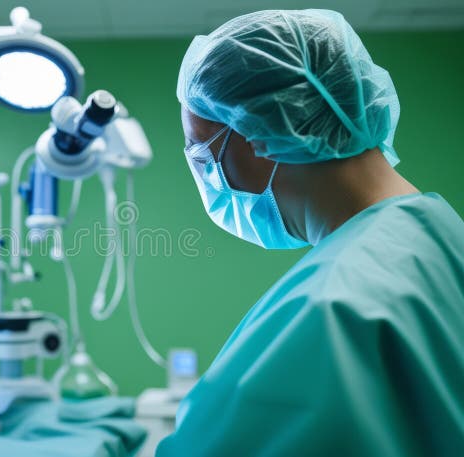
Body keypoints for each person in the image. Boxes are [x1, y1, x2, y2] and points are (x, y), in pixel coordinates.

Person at [158, 9, 464, 456]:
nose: (206, 177)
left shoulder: (332, 309)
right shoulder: (442, 237)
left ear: (256, 135)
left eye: (203, 156)